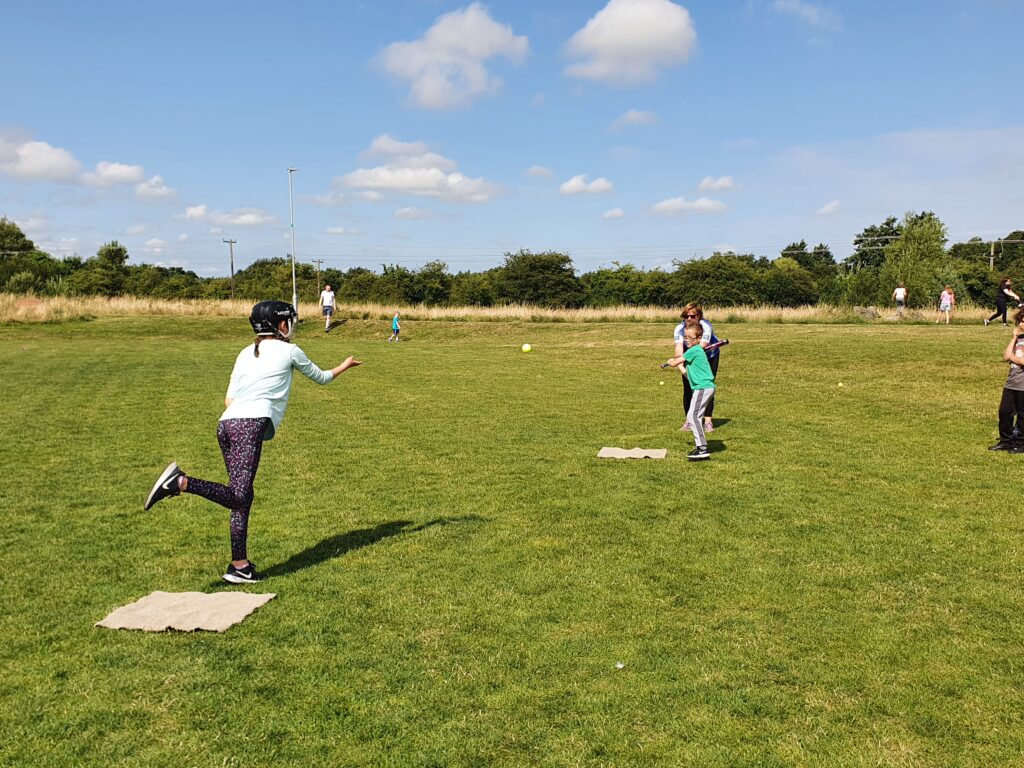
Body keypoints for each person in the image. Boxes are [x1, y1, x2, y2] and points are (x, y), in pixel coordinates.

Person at [143, 301, 362, 583]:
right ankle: (181, 482)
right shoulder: (290, 351)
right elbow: (321, 378)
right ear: (281, 324)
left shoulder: (245, 352)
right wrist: (345, 365)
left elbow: (229, 399)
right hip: (250, 425)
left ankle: (240, 566)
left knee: (241, 497)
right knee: (239, 496)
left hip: (226, 424)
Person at [665, 325, 715, 461]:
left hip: (703, 388)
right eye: (685, 337)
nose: (687, 340)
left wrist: (671, 362)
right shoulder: (695, 352)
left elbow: (674, 362)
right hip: (702, 388)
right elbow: (688, 375)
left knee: (693, 416)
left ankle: (702, 449)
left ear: (699, 338)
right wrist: (678, 365)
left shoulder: (694, 350)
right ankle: (700, 447)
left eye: (690, 337)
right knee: (694, 416)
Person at [673, 303, 720, 433]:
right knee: (688, 387)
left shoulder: (706, 326)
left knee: (706, 385)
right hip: (689, 356)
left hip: (709, 356)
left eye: (692, 316)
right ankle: (689, 421)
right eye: (686, 316)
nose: (689, 318)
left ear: (699, 316)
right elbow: (678, 348)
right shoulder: (679, 329)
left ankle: (708, 421)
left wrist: (680, 361)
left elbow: (701, 347)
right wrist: (678, 360)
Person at [991, 308, 1024, 453]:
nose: (1021, 324)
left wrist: (1012, 357)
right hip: (1011, 383)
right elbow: (1005, 356)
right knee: (1004, 412)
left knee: (1022, 416)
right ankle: (1006, 441)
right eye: (1021, 321)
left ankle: (1021, 443)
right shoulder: (1019, 339)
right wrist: (1013, 338)